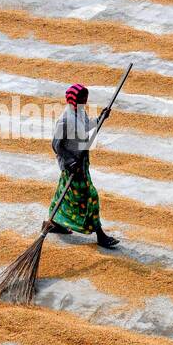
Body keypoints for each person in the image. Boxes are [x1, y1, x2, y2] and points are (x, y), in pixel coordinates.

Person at [48, 83, 119, 249]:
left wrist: (101, 118)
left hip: (82, 161)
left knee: (64, 193)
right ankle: (100, 236)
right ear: (73, 100)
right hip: (72, 165)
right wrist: (71, 162)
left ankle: (54, 222)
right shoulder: (65, 120)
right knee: (91, 195)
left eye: (85, 97)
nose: (85, 100)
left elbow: (87, 126)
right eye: (81, 98)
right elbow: (56, 145)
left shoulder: (79, 111)